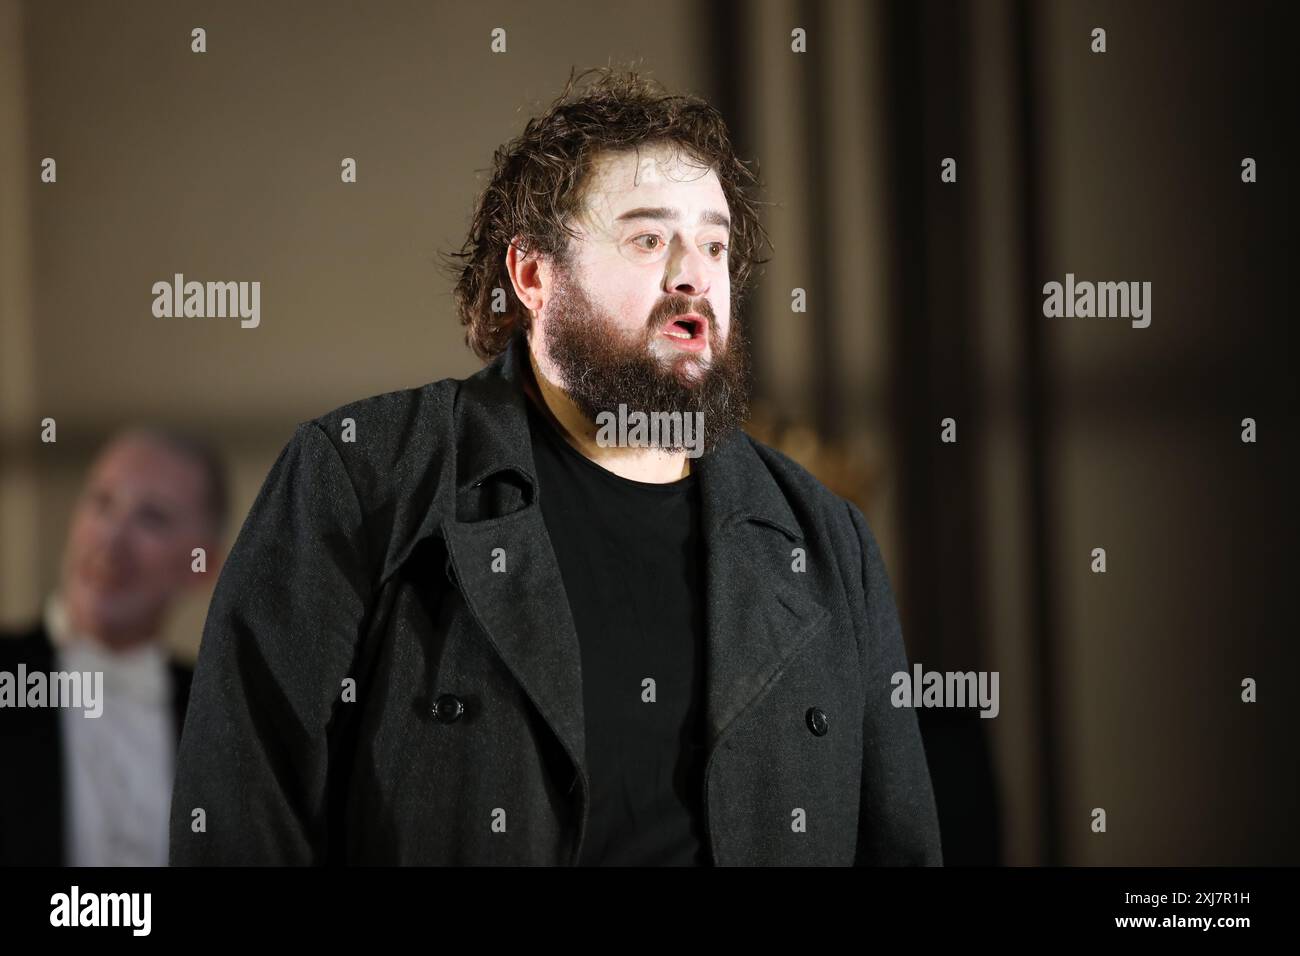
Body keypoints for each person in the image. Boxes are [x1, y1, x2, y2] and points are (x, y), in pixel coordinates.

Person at [170, 67, 942, 866]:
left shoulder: (823, 540)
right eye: (648, 238)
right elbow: (239, 821)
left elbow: (900, 843)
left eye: (714, 244)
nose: (693, 273)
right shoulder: (364, 478)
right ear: (534, 276)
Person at [0, 426, 227, 866]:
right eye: (102, 503)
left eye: (152, 517)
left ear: (202, 567)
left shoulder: (223, 716)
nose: (111, 538)